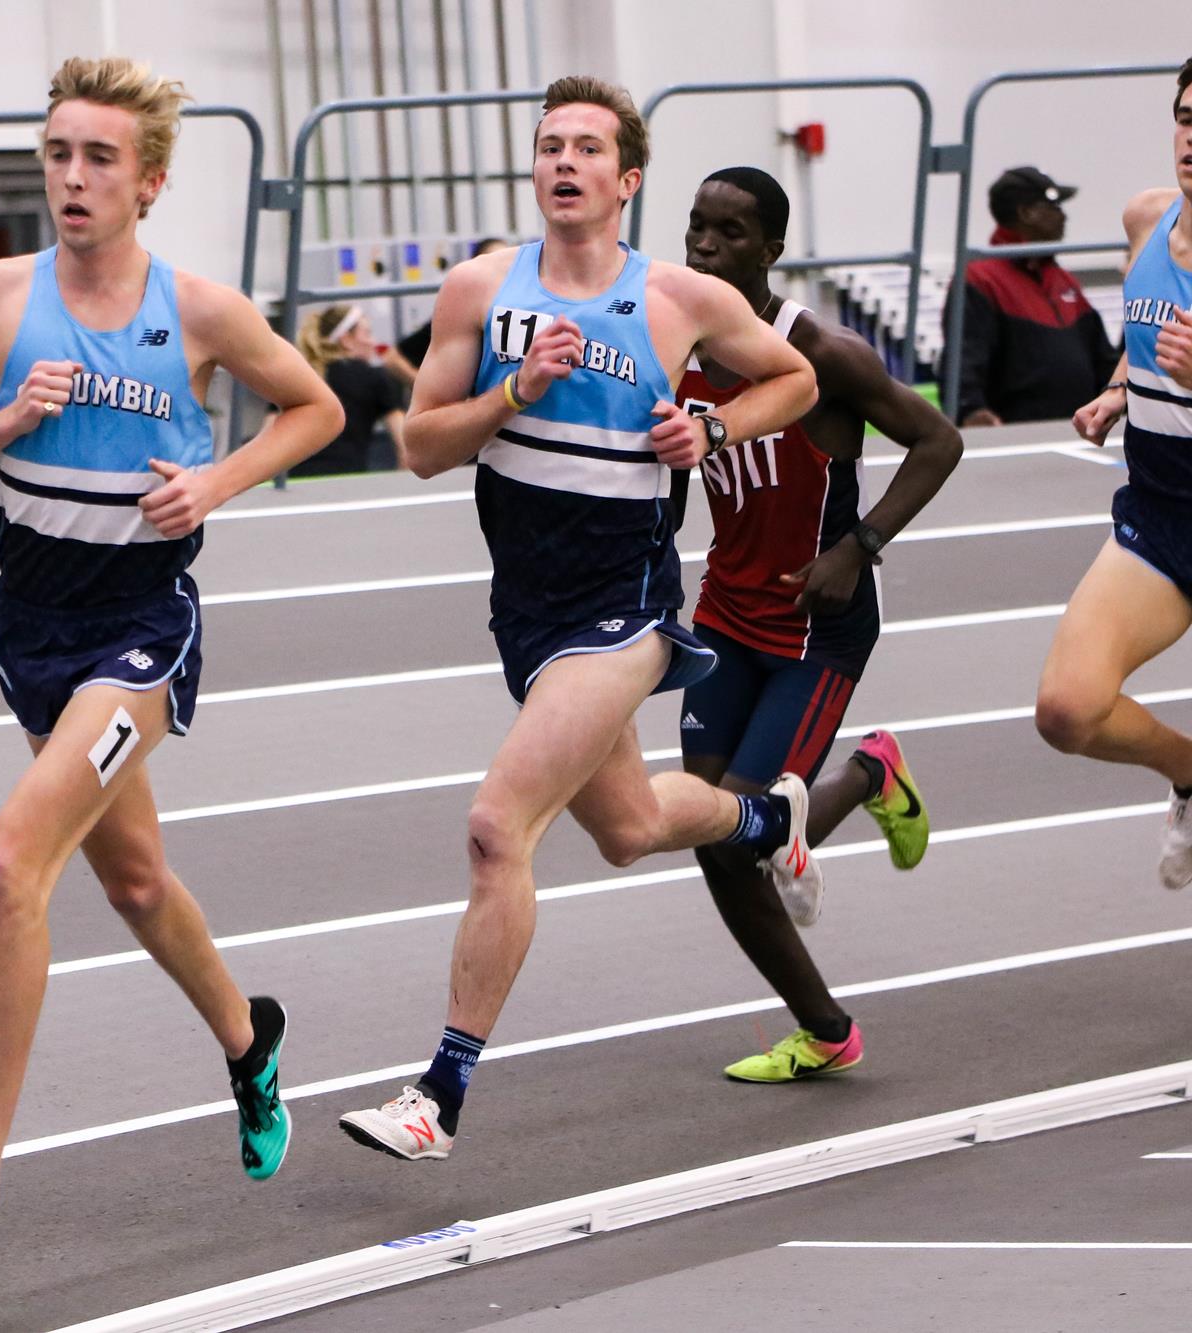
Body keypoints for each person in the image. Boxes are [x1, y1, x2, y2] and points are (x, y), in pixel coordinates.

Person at [0, 57, 342, 1285]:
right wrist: (0, 423)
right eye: (55, 153)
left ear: (146, 182)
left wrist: (215, 479)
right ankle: (252, 1043)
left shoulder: (194, 309)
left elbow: (314, 409)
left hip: (138, 633)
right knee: (137, 882)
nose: (72, 177)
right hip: (31, 632)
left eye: (97, 158)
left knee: (5, 869)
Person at [337, 76, 818, 1163]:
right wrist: (511, 392)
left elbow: (790, 378)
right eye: (548, 145)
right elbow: (416, 449)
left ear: (624, 179)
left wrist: (712, 423)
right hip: (527, 610)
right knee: (628, 828)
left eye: (586, 149)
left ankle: (437, 1095)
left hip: (625, 611)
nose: (563, 162)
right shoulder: (477, 291)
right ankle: (766, 821)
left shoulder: (677, 299)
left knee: (496, 825)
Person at [677, 167, 962, 1082]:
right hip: (723, 612)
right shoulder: (672, 338)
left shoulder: (822, 352)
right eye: (695, 228)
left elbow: (938, 440)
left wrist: (860, 545)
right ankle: (827, 1031)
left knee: (746, 835)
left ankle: (872, 772)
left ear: (772, 249)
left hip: (814, 623)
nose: (705, 246)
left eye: (729, 232)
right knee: (709, 835)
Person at [1038, 57, 1192, 889]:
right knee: (1066, 709)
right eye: (1187, 118)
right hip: (1165, 510)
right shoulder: (1145, 218)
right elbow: (1145, 344)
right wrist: (1116, 389)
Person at [955, 166, 1120, 428]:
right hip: (1017, 434)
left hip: (1077, 431)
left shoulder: (1063, 280)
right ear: (1025, 213)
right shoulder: (980, 279)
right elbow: (964, 359)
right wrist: (970, 410)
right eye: (1054, 206)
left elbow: (1104, 358)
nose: (1063, 216)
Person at [294, 303, 415, 472]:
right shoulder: (374, 377)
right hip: (349, 481)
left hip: (295, 483)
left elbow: (270, 436)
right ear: (346, 340)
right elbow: (406, 448)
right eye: (367, 333)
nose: (373, 342)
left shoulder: (298, 377)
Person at [398, 235, 511, 368]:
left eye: (507, 262)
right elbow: (394, 358)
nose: (503, 270)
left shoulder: (519, 311)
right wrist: (420, 383)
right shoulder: (459, 316)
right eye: (494, 261)